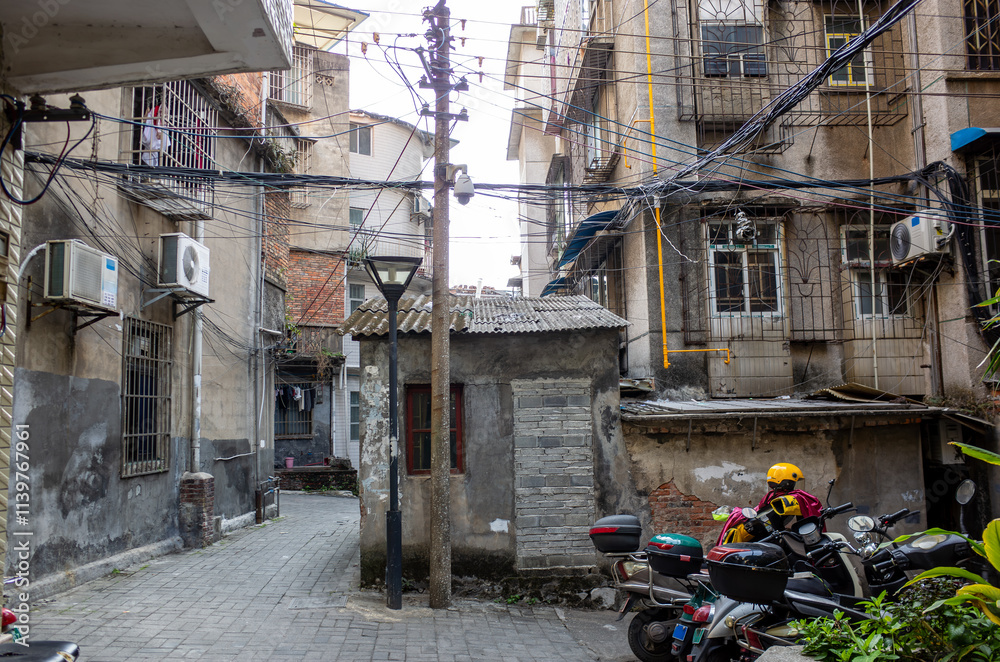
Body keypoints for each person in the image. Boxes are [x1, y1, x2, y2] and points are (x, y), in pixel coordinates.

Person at [717, 462, 823, 545]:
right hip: (767, 537)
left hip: (767, 535)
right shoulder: (788, 499)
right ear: (787, 482)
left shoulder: (770, 496)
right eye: (794, 481)